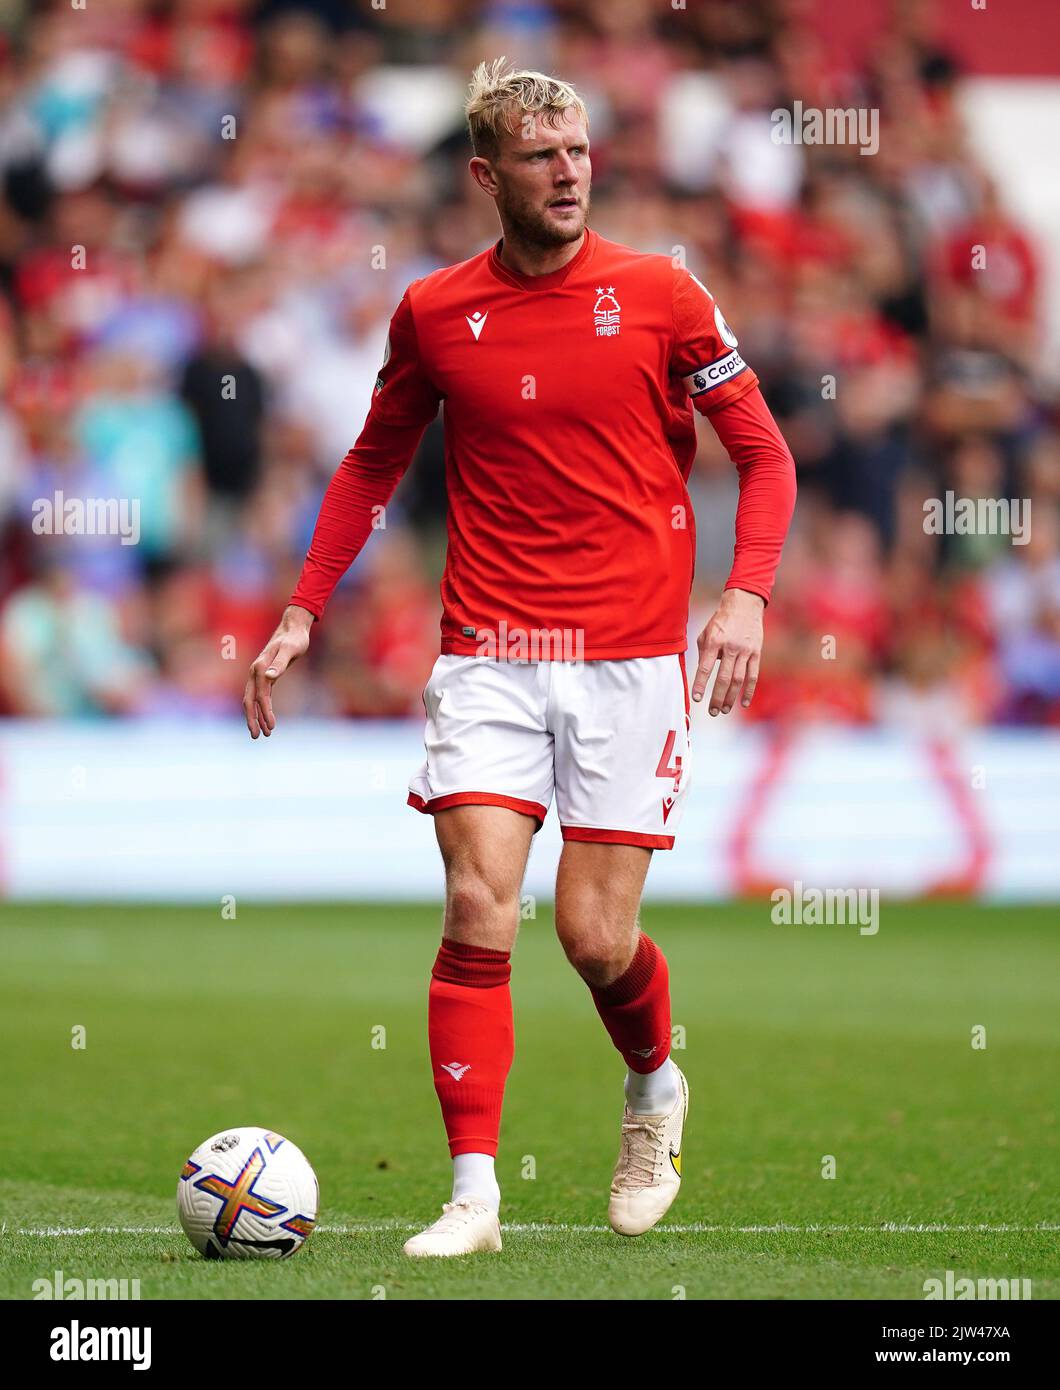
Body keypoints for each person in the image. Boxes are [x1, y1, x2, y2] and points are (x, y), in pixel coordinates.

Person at [243, 59, 797, 1257]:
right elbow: (370, 462)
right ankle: (473, 1197)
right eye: (543, 157)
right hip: (489, 647)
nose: (569, 173)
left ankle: (654, 1084)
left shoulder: (661, 295)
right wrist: (301, 608)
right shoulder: (436, 311)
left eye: (581, 152)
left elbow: (765, 454)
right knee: (477, 901)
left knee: (594, 938)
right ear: (487, 174)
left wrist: (745, 596)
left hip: (630, 655)